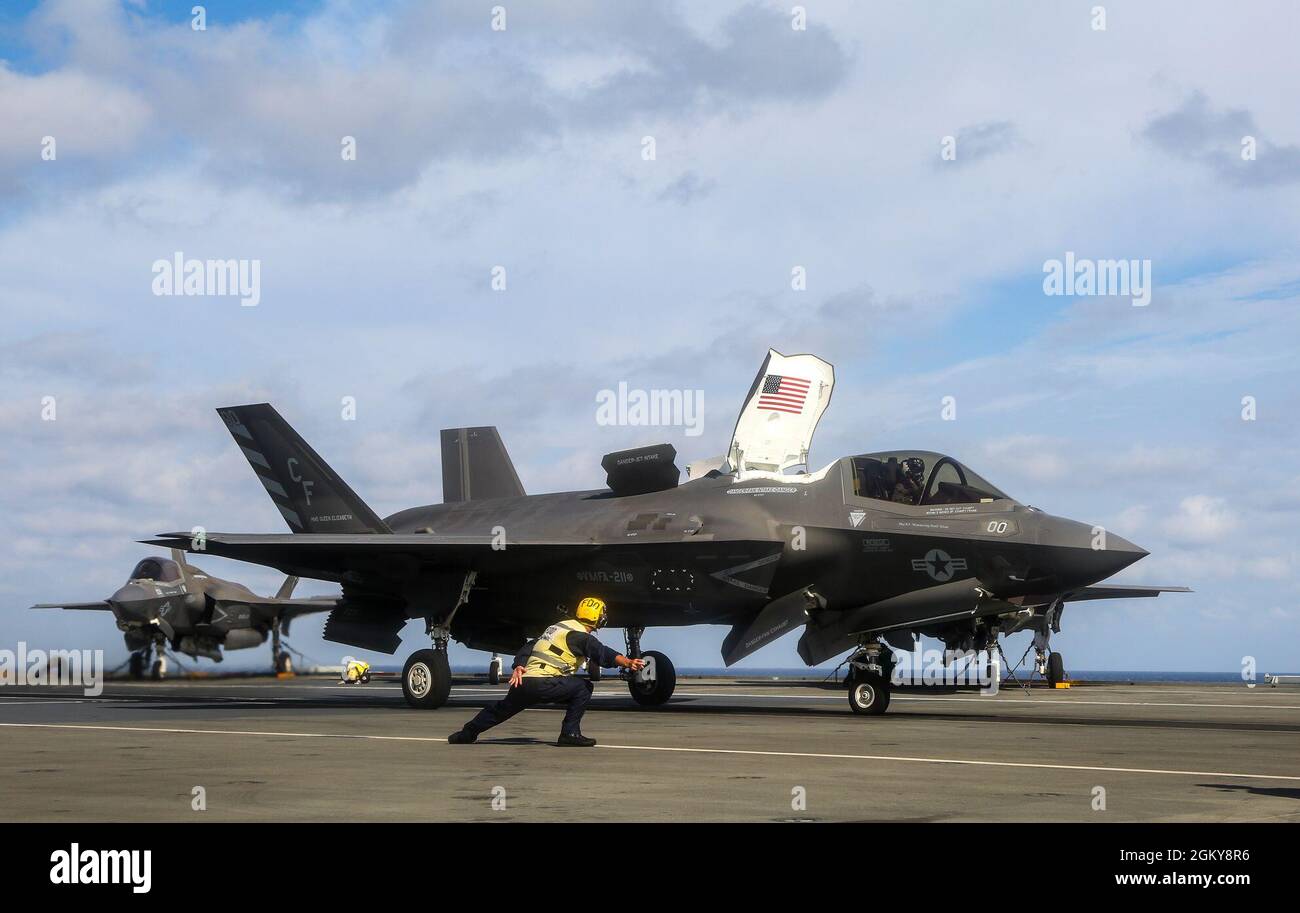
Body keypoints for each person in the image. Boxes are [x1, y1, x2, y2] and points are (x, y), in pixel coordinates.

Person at [447, 597, 645, 747]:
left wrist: (518, 665)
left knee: (501, 709)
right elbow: (603, 653)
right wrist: (627, 662)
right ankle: (569, 734)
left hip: (525, 681)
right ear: (598, 618)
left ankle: (467, 733)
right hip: (544, 683)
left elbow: (529, 646)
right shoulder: (582, 637)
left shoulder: (555, 628)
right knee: (583, 688)